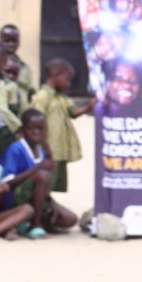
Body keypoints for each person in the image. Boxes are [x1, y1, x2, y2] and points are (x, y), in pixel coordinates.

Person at [0, 110, 77, 236]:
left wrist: (51, 201)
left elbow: (43, 185)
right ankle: (35, 224)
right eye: (31, 128)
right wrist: (38, 167)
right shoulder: (15, 149)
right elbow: (7, 183)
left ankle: (28, 223)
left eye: (40, 128)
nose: (36, 132)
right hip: (15, 199)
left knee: (70, 219)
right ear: (23, 129)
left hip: (35, 199)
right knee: (43, 175)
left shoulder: (40, 151)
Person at [30, 58, 91, 193]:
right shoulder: (42, 97)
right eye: (67, 79)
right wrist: (46, 148)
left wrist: (88, 107)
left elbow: (73, 113)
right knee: (45, 187)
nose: (68, 84)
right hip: (49, 152)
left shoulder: (61, 97)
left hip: (60, 152)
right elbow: (36, 126)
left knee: (54, 189)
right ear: (56, 75)